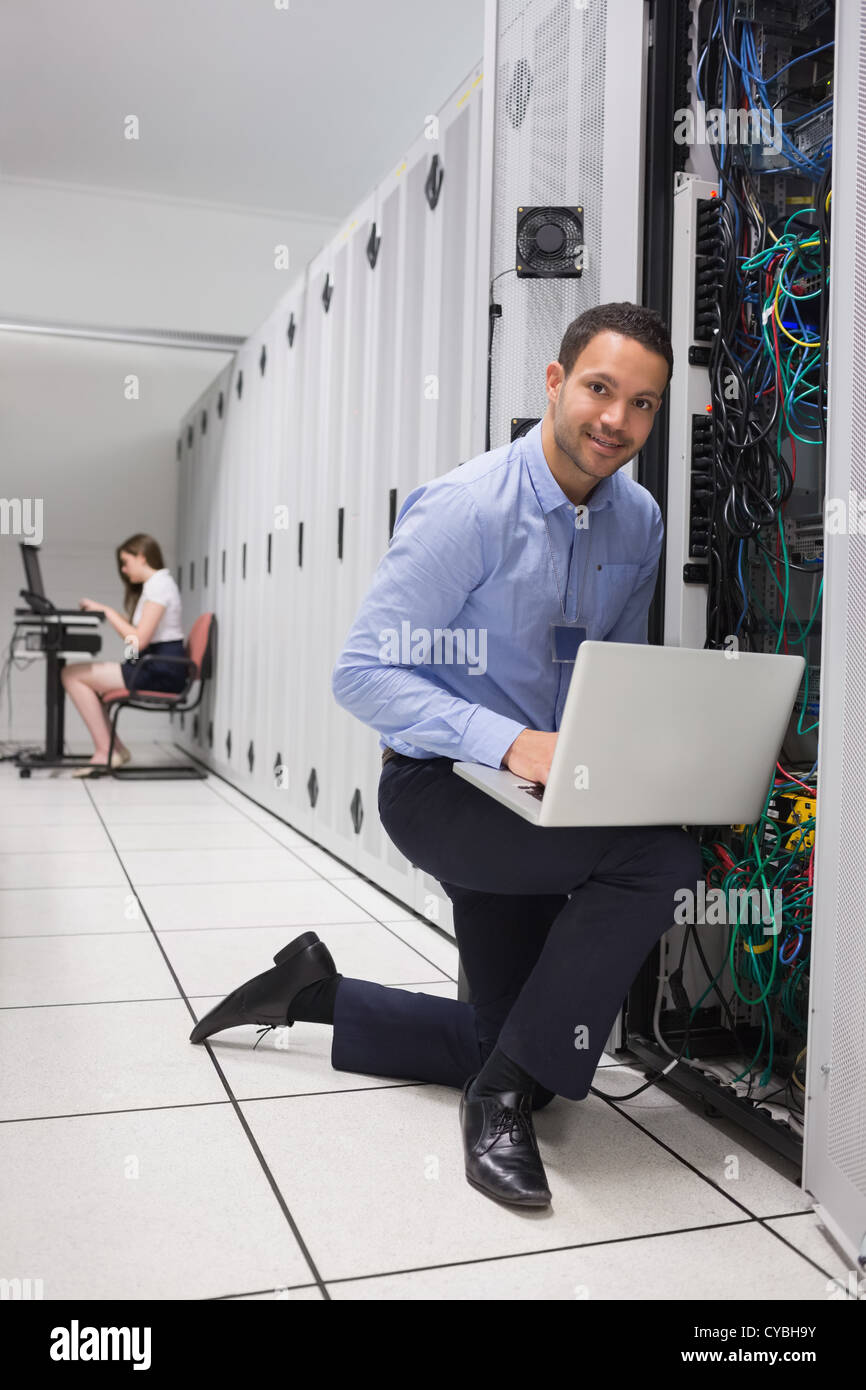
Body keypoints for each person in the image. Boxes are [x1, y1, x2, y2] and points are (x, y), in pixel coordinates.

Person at [188, 301, 702, 1210]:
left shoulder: (641, 522)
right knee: (658, 856)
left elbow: (608, 677)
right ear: (555, 383)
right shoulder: (469, 508)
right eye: (599, 389)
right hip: (442, 788)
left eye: (644, 404)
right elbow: (362, 676)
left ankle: (315, 997)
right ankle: (495, 1105)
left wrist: (625, 755)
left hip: (546, 796)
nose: (617, 420)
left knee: (527, 1043)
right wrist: (510, 742)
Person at [64, 533, 187, 776]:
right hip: (153, 663)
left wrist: (107, 612)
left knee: (71, 675)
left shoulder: (159, 586)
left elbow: (138, 641)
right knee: (76, 674)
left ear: (141, 557)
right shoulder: (154, 586)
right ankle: (113, 749)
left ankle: (106, 751)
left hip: (161, 670)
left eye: (126, 562)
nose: (123, 569)